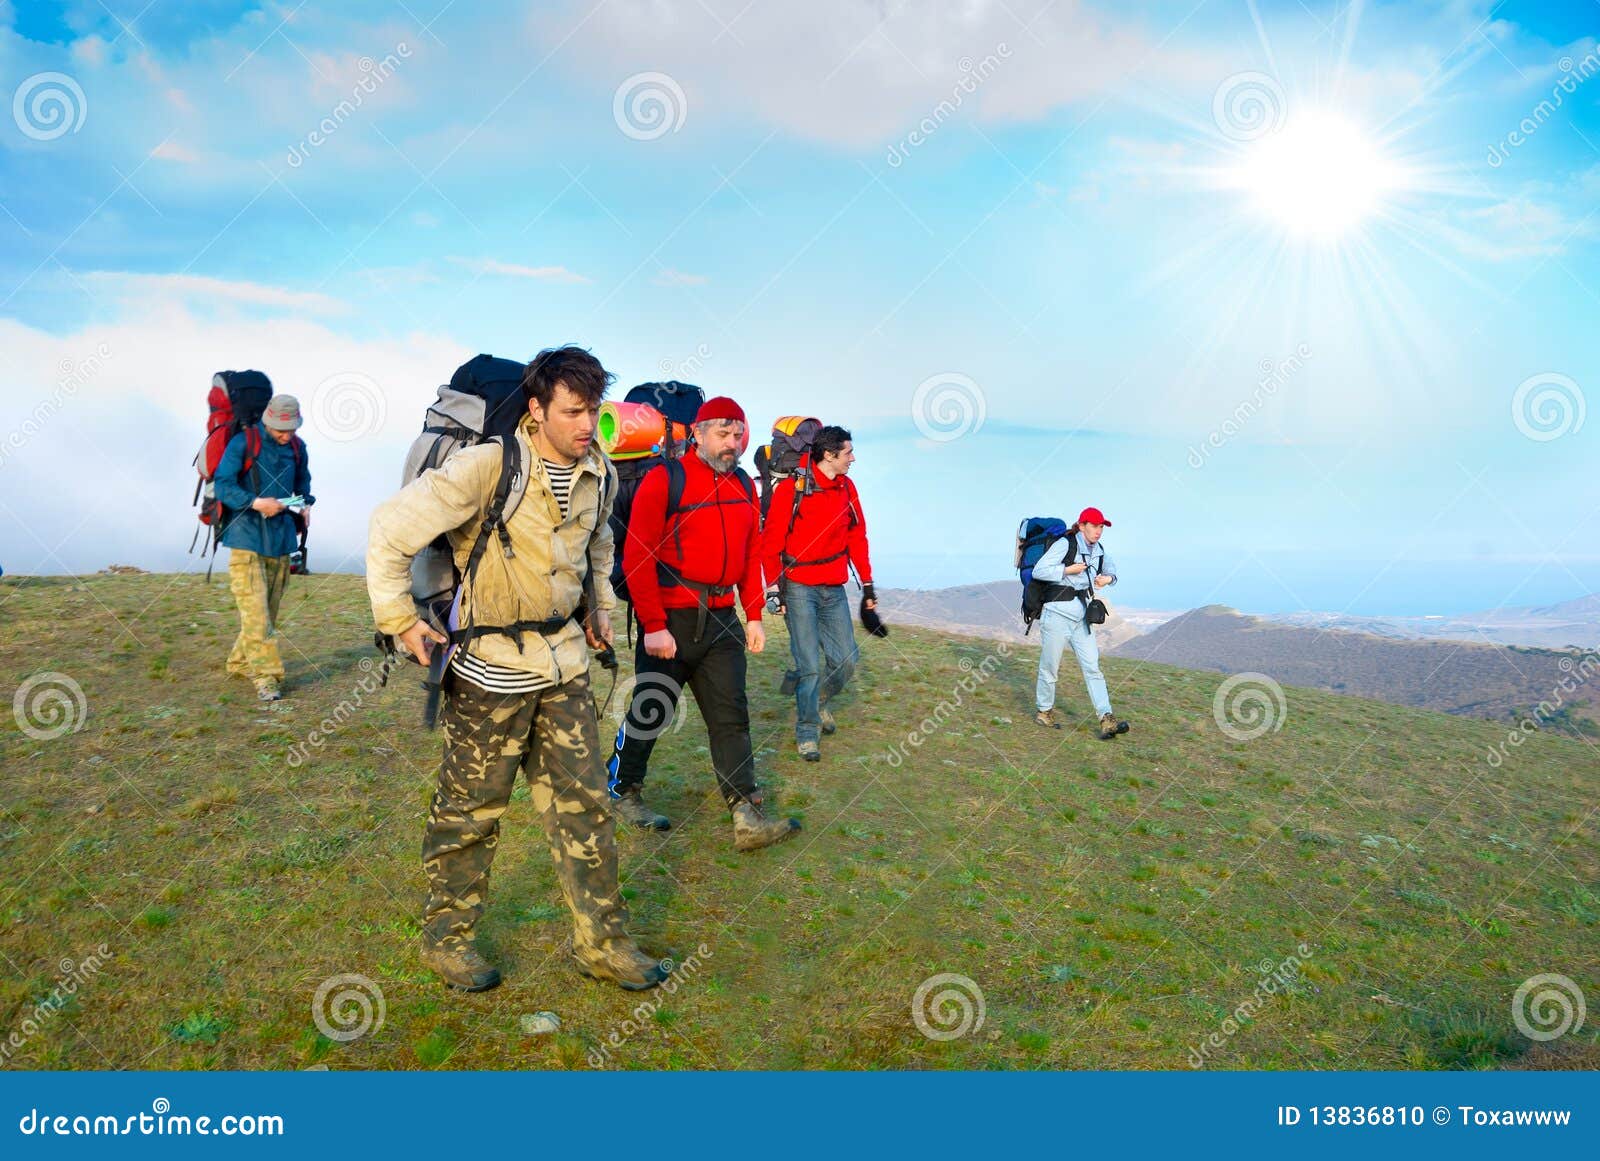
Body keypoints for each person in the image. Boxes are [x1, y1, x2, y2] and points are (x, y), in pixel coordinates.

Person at [367, 346, 669, 994]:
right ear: (536, 409)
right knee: (469, 814)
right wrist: (398, 619)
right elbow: (390, 527)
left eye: (594, 409)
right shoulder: (489, 465)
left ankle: (603, 944)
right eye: (573, 411)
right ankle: (447, 941)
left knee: (587, 809)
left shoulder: (600, 471)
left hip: (565, 666)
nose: (588, 425)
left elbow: (598, 546)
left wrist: (601, 609)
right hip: (490, 672)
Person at [607, 396, 801, 850]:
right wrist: (653, 625)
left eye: (737, 434)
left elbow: (752, 552)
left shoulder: (745, 487)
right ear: (697, 434)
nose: (732, 443)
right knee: (651, 710)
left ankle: (745, 814)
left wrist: (753, 615)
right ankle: (623, 791)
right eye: (722, 433)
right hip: (670, 620)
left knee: (731, 715)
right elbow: (638, 556)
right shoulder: (664, 480)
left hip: (722, 620)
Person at [761, 425, 874, 761]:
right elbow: (772, 541)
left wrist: (867, 583)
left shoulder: (847, 488)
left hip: (834, 587)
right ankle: (807, 731)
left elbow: (858, 536)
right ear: (829, 455)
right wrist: (773, 589)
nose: (853, 458)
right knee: (809, 663)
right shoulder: (792, 490)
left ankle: (819, 698)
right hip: (799, 588)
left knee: (846, 660)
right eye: (848, 452)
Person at [214, 393, 313, 703]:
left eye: (292, 429)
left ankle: (240, 662)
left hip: (282, 541)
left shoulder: (298, 448)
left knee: (266, 614)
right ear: (268, 422)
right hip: (245, 541)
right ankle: (267, 676)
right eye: (281, 429)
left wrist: (306, 504)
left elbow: (303, 484)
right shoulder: (244, 443)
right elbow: (222, 484)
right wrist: (255, 503)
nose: (286, 435)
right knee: (257, 616)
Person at [1032, 506, 1129, 740]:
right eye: (1094, 526)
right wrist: (1067, 570)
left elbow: (1112, 571)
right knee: (1050, 667)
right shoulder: (1066, 544)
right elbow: (1039, 570)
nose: (1099, 531)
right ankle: (1044, 711)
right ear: (1082, 525)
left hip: (1082, 617)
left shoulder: (1100, 550)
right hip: (1057, 614)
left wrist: (1109, 578)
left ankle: (1106, 719)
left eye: (1101, 527)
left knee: (1093, 668)